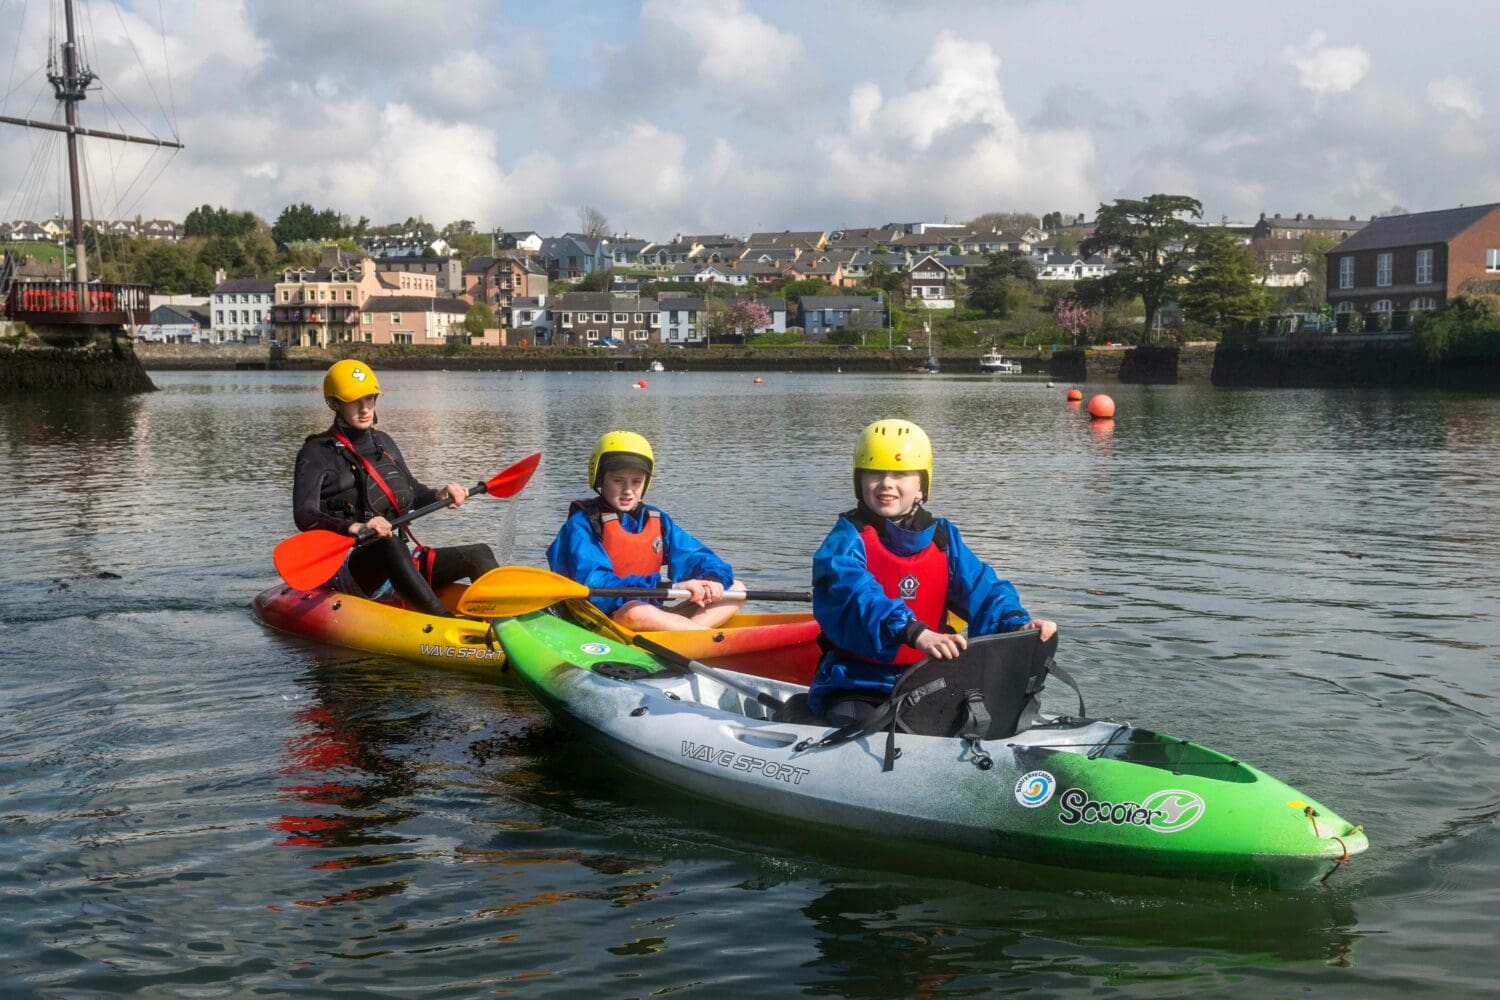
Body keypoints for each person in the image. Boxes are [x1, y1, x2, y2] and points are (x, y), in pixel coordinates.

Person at [809, 419, 1057, 723]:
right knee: (850, 720)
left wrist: (1016, 623)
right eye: (875, 472)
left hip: (930, 682)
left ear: (921, 487)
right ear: (859, 481)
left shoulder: (943, 539)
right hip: (858, 684)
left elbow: (984, 588)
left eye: (900, 474)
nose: (886, 483)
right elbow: (857, 594)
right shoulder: (844, 540)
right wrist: (914, 632)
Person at [292, 360, 498, 616]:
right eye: (354, 400)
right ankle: (443, 622)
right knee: (388, 545)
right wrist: (356, 527)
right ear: (334, 403)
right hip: (349, 568)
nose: (364, 407)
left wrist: (439, 494)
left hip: (399, 561)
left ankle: (507, 620)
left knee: (479, 553)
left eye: (369, 398)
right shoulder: (316, 452)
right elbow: (304, 514)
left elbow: (412, 491)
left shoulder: (384, 443)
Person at [548, 430, 745, 631]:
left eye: (636, 481)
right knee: (636, 611)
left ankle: (690, 632)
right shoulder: (582, 525)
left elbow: (695, 555)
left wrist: (711, 580)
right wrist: (672, 588)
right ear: (600, 479)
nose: (628, 490)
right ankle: (701, 636)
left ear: (645, 482)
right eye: (618, 481)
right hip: (603, 618)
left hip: (650, 612)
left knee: (736, 589)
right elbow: (596, 586)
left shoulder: (655, 520)